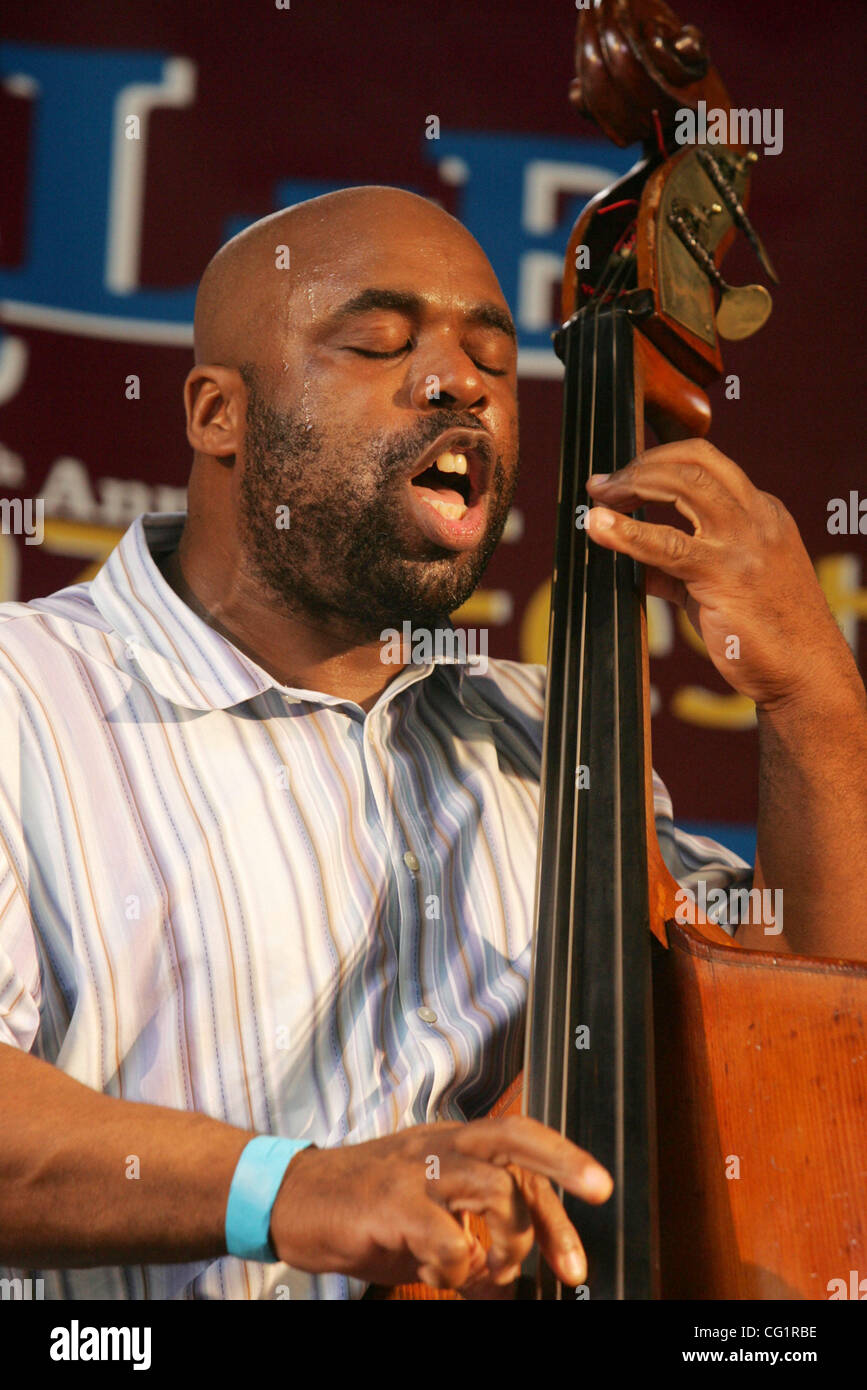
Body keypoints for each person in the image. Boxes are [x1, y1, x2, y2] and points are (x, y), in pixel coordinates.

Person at [0, 187, 864, 1301]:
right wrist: (293, 1189)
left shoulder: (551, 739)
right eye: (379, 341)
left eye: (496, 363)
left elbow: (808, 1049)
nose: (460, 382)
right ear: (219, 413)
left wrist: (816, 701)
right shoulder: (27, 696)